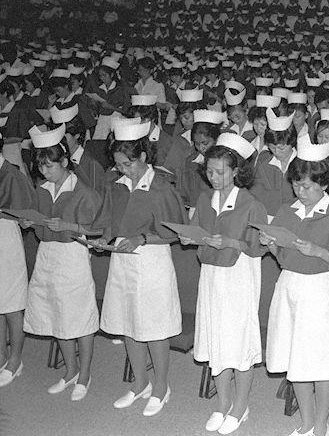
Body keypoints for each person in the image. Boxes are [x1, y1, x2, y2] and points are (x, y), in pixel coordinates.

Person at [261, 135, 329, 436]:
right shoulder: (287, 211)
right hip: (289, 286)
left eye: (307, 186)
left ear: (323, 184)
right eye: (296, 185)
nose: (301, 191)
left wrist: (318, 251)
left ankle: (321, 425)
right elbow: (283, 257)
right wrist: (271, 245)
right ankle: (306, 423)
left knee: (320, 360)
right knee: (296, 357)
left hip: (317, 290)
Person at [91, 120, 187, 415]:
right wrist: (104, 238)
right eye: (119, 165)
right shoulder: (116, 185)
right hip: (123, 260)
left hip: (151, 260)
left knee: (154, 327)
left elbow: (177, 232)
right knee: (128, 323)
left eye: (128, 164)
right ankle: (140, 383)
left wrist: (142, 237)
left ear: (144, 157)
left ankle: (161, 387)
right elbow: (109, 221)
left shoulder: (161, 186)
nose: (123, 170)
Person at [183, 134, 267, 434]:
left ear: (236, 171)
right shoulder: (205, 199)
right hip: (212, 274)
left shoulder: (250, 204)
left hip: (239, 275)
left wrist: (232, 241)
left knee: (239, 339)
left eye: (220, 172)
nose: (214, 177)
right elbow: (198, 231)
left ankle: (241, 407)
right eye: (209, 171)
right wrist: (189, 235)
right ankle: (223, 403)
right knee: (216, 337)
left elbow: (259, 248)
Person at [21, 124, 102, 400]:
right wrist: (29, 220)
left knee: (79, 315)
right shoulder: (42, 188)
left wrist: (68, 224)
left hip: (72, 255)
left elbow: (99, 229)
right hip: (47, 254)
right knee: (57, 313)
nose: (45, 173)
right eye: (41, 168)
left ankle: (85, 374)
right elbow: (37, 216)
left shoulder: (83, 191)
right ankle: (70, 370)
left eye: (50, 167)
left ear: (65, 162)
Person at [0, 121, 35, 387]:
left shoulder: (10, 172)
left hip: (4, 238)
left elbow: (23, 211)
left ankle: (16, 360)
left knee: (10, 304)